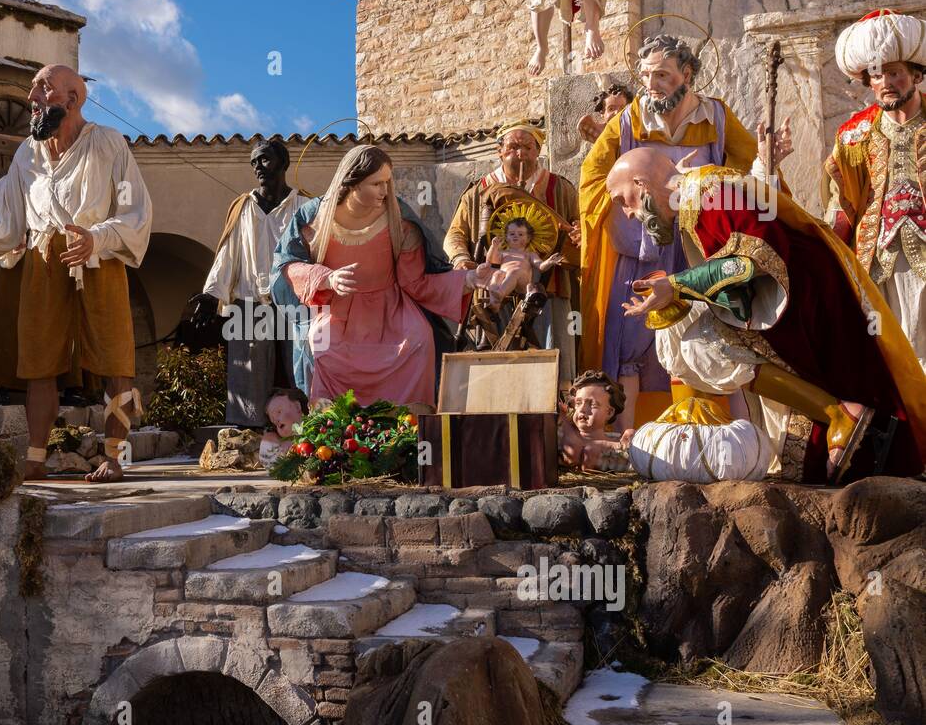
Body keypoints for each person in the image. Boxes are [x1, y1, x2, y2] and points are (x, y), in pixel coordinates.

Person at [609, 147, 926, 484]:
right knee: (684, 339)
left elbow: (751, 260)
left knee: (700, 345)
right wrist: (676, 293)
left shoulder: (707, 193)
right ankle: (836, 415)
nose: (627, 214)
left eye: (621, 200)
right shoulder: (694, 196)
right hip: (785, 301)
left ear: (641, 184)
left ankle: (839, 414)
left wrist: (677, 286)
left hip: (806, 300)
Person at [0, 65, 153, 483]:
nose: (32, 97)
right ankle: (35, 459)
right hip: (43, 258)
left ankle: (114, 458)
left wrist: (98, 238)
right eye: (33, 89)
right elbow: (7, 219)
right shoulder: (27, 154)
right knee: (40, 360)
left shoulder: (108, 143)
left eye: (43, 88)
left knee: (115, 357)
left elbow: (136, 211)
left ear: (72, 99)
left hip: (99, 255)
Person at [578, 33, 791, 430]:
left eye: (662, 74)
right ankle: (632, 432)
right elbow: (594, 178)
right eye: (645, 75)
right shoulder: (630, 119)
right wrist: (637, 219)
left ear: (687, 74)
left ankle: (722, 427)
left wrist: (765, 162)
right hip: (643, 251)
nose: (652, 84)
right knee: (632, 340)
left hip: (701, 253)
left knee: (715, 341)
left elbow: (748, 178)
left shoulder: (717, 118)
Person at [271, 144, 495, 409]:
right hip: (338, 312)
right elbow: (287, 265)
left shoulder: (398, 219)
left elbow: (416, 282)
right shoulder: (313, 218)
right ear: (352, 182)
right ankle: (335, 435)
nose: (386, 191)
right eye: (377, 183)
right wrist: (325, 278)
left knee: (420, 337)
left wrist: (468, 279)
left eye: (388, 182)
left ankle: (410, 429)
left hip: (393, 310)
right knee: (324, 347)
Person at [826, 9, 926, 372]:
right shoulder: (854, 135)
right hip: (879, 260)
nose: (886, 82)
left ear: (916, 74)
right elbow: (841, 203)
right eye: (876, 74)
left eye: (895, 72)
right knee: (892, 360)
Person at [446, 120, 580, 378]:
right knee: (496, 361)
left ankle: (556, 412)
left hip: (548, 289)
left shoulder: (560, 188)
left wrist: (578, 235)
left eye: (528, 147)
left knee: (553, 361)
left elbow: (579, 227)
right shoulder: (479, 191)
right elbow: (455, 234)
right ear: (499, 151)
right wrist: (462, 258)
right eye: (513, 147)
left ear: (538, 151)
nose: (520, 153)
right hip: (492, 288)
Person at [193, 139, 309, 426]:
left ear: (283, 163)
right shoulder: (244, 207)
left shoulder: (304, 205)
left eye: (265, 159)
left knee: (304, 365)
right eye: (254, 162)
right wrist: (211, 293)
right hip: (251, 302)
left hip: (295, 301)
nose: (258, 166)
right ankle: (247, 436)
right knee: (247, 372)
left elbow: (317, 252)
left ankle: (310, 428)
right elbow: (229, 253)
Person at [557, 369, 633, 470]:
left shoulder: (619, 443)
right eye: (578, 403)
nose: (582, 409)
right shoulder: (561, 435)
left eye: (592, 405)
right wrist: (563, 419)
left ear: (609, 412)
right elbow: (572, 454)